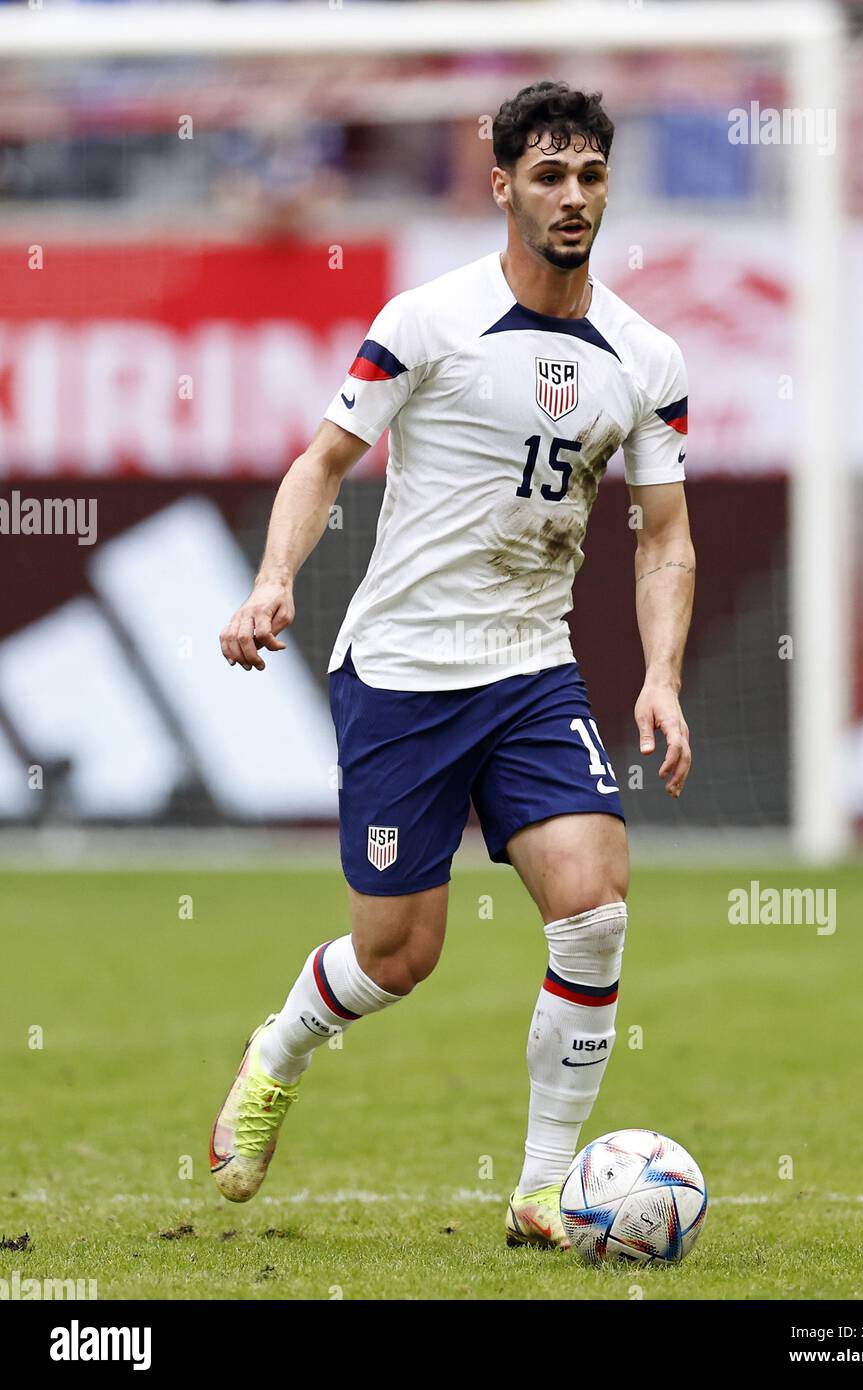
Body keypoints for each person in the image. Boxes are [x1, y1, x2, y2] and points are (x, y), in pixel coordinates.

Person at [210, 81, 695, 1251]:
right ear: (501, 185)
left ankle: (537, 1190)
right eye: (546, 175)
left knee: (593, 906)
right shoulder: (425, 320)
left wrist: (662, 675)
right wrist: (273, 578)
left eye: (587, 176)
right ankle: (277, 1048)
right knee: (397, 955)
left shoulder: (645, 354)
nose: (570, 197)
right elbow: (320, 463)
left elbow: (665, 533)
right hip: (402, 673)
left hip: (531, 673)